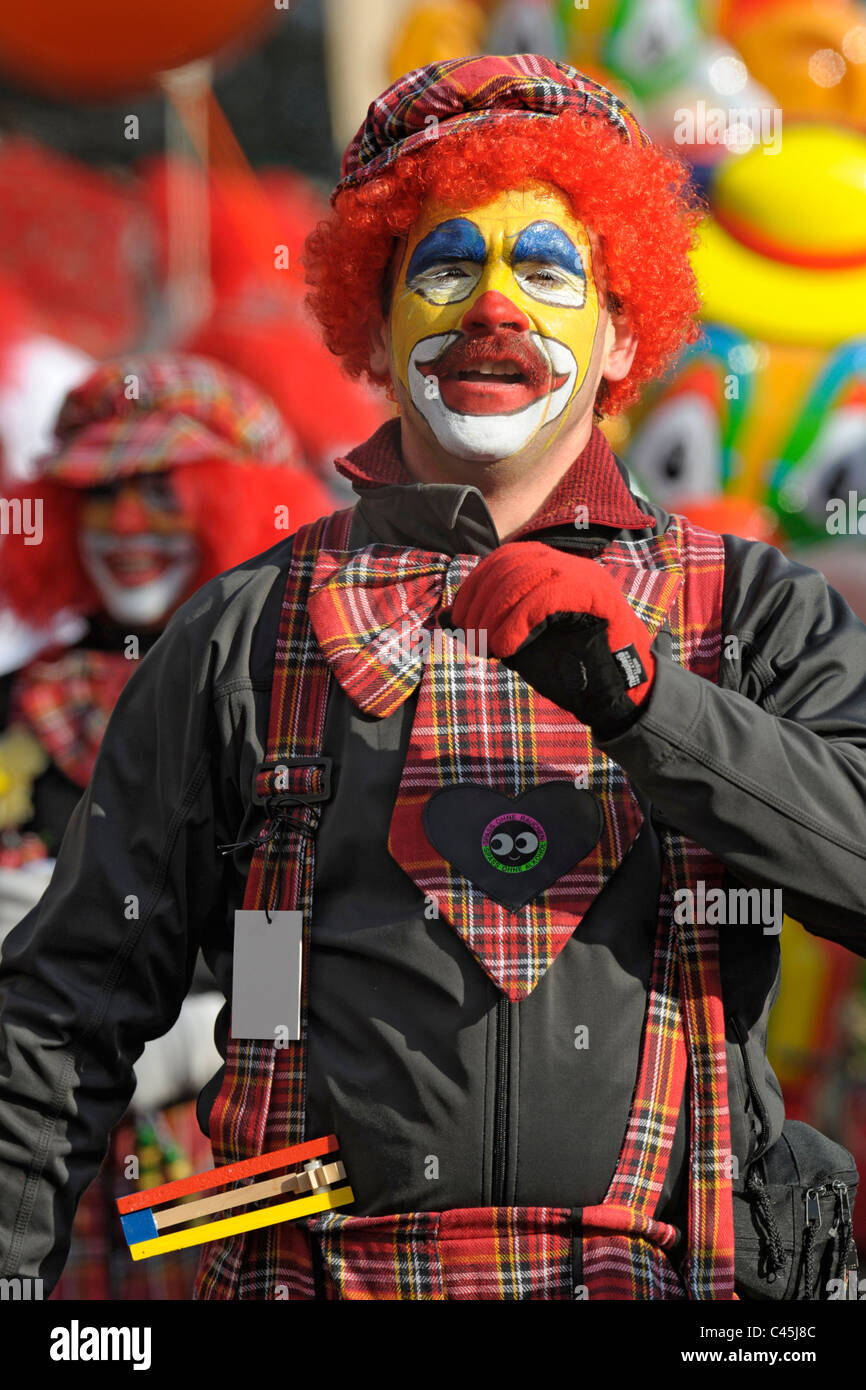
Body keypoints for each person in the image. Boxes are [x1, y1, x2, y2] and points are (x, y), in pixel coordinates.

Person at [1, 55, 865, 1302]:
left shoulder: (751, 611)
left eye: (549, 269)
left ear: (623, 327)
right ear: (377, 316)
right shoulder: (246, 631)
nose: (493, 311)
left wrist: (654, 708)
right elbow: (65, 1003)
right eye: (447, 266)